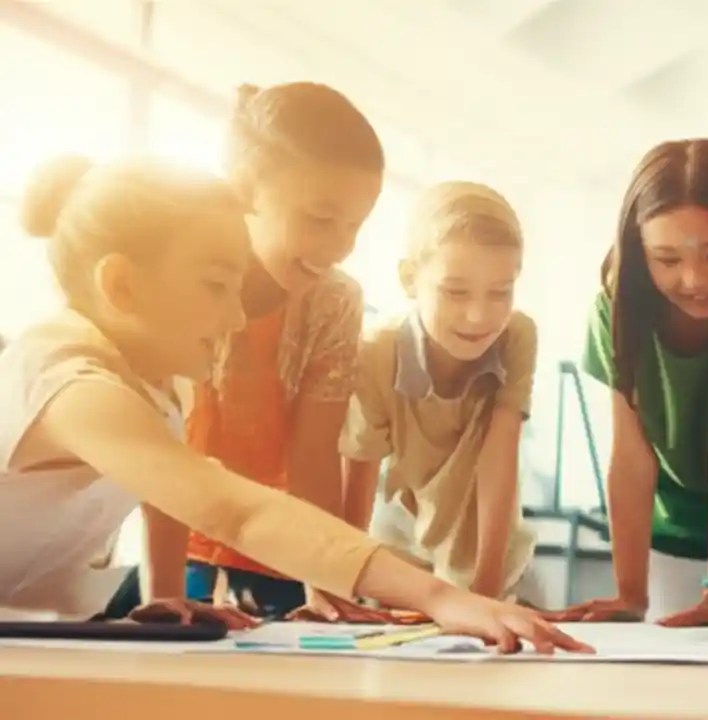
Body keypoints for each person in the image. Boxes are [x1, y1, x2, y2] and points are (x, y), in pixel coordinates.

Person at [0, 154, 590, 654]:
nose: (235, 316)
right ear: (122, 287)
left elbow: (164, 491)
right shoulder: (72, 381)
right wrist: (441, 595)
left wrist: (163, 600)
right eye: (215, 285)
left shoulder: (152, 385)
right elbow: (233, 511)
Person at [114, 82, 386, 621]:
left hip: (277, 550)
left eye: (356, 225)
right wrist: (163, 596)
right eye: (320, 218)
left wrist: (330, 590)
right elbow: (165, 455)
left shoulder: (334, 301)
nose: (340, 245)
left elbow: (314, 455)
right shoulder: (184, 281)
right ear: (243, 193)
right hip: (180, 543)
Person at [546, 139, 708, 626]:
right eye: (667, 260)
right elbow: (630, 454)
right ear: (638, 251)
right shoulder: (616, 307)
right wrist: (629, 593)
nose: (694, 280)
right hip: (664, 546)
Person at [341, 181, 539, 603]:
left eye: (500, 292)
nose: (478, 315)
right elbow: (359, 464)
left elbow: (498, 457)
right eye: (455, 292)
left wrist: (486, 588)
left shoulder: (517, 336)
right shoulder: (377, 352)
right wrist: (343, 582)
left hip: (490, 552)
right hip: (397, 539)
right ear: (410, 279)